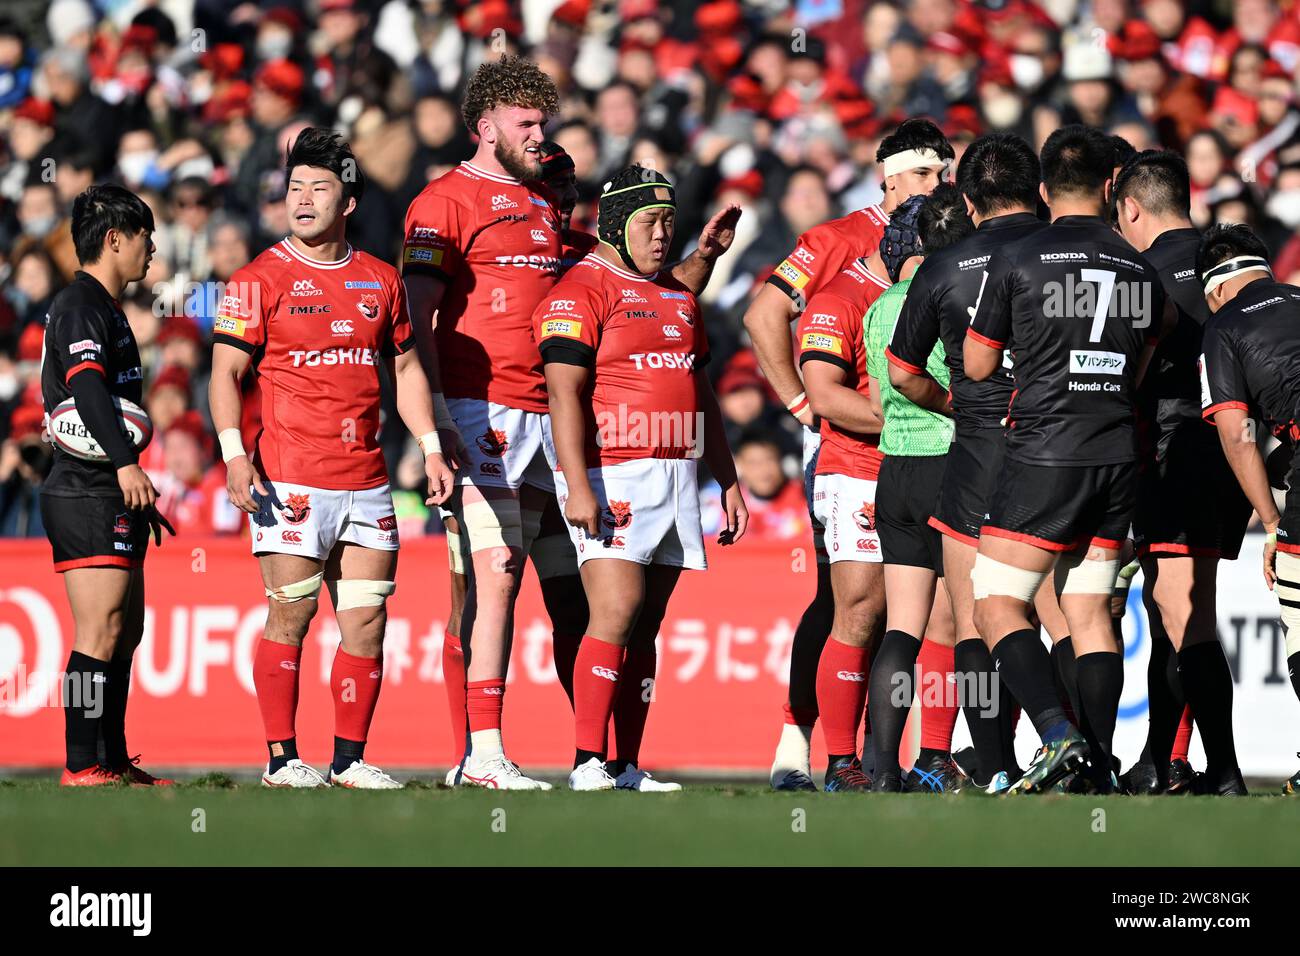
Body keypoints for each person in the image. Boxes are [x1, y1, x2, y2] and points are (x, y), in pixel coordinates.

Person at [209, 128, 454, 789]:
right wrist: (235, 455)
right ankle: (282, 759)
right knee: (291, 610)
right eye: (295, 188)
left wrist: (431, 447)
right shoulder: (258, 279)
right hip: (290, 477)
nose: (304, 199)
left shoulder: (381, 281)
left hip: (368, 480)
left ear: (348, 200)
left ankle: (349, 760)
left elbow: (406, 373)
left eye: (319, 187)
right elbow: (224, 374)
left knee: (368, 618)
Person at [743, 118, 953, 791]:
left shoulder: (954, 233)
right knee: (847, 600)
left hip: (928, 441)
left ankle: (923, 755)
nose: (939, 185)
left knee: (933, 604)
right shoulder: (836, 241)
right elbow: (761, 314)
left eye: (945, 172)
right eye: (925, 174)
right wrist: (803, 405)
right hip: (850, 440)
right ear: (888, 177)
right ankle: (804, 740)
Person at [963, 125, 1168, 794]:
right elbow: (1139, 366)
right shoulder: (1141, 266)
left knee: (995, 601)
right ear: (1112, 187)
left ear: (1045, 190)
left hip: (1044, 451)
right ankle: (1100, 767)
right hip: (1115, 452)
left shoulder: (1019, 258)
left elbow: (976, 361)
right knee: (1087, 611)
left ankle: (1058, 736)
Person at [535, 165, 748, 791]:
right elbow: (563, 395)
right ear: (614, 225)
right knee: (616, 609)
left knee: (647, 624)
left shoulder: (679, 297)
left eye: (667, 223)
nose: (661, 236)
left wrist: (726, 479)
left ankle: (626, 763)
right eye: (649, 223)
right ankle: (585, 761)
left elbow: (701, 393)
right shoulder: (581, 291)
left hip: (679, 475)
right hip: (614, 474)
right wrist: (577, 484)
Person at [888, 133, 1050, 792]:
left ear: (972, 199)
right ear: (1035, 189)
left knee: (976, 615)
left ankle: (1000, 766)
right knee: (1068, 614)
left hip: (978, 453)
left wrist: (954, 402)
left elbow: (901, 373)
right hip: (1064, 450)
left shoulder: (946, 265)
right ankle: (1078, 752)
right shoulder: (1072, 250)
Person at [1112, 150, 1251, 796]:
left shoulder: (1140, 275)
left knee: (1184, 614)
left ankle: (1222, 770)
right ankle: (1160, 759)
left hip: (1174, 452)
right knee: (1176, 608)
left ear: (1131, 208)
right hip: (1233, 456)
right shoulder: (1230, 265)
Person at [39, 183, 175, 786]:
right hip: (85, 488)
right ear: (116, 239)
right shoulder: (80, 305)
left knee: (125, 632)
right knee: (97, 631)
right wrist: (125, 465)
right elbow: (88, 389)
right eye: (146, 235)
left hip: (110, 489)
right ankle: (80, 763)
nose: (153, 247)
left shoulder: (107, 305)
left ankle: (114, 761)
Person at [863, 185, 973, 792]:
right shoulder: (965, 291)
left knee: (903, 626)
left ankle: (882, 768)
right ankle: (937, 756)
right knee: (959, 626)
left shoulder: (885, 302)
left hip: (895, 469)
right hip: (950, 463)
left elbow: (881, 389)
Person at [1198, 222, 1298, 796]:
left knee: (1299, 614)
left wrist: (1270, 520)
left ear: (1215, 289)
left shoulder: (1224, 326)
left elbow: (1237, 436)